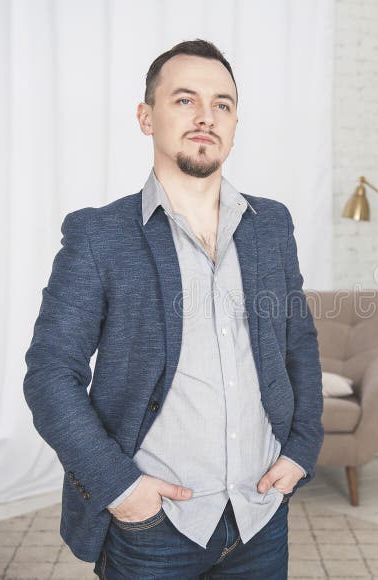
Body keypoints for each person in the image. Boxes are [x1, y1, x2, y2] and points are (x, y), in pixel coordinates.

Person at [23, 39, 324, 578]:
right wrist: (122, 489)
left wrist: (302, 448)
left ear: (235, 123)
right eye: (185, 100)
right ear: (146, 117)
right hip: (154, 527)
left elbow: (297, 345)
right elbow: (49, 374)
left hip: (260, 516)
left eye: (222, 104)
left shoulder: (272, 226)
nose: (207, 117)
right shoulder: (99, 235)